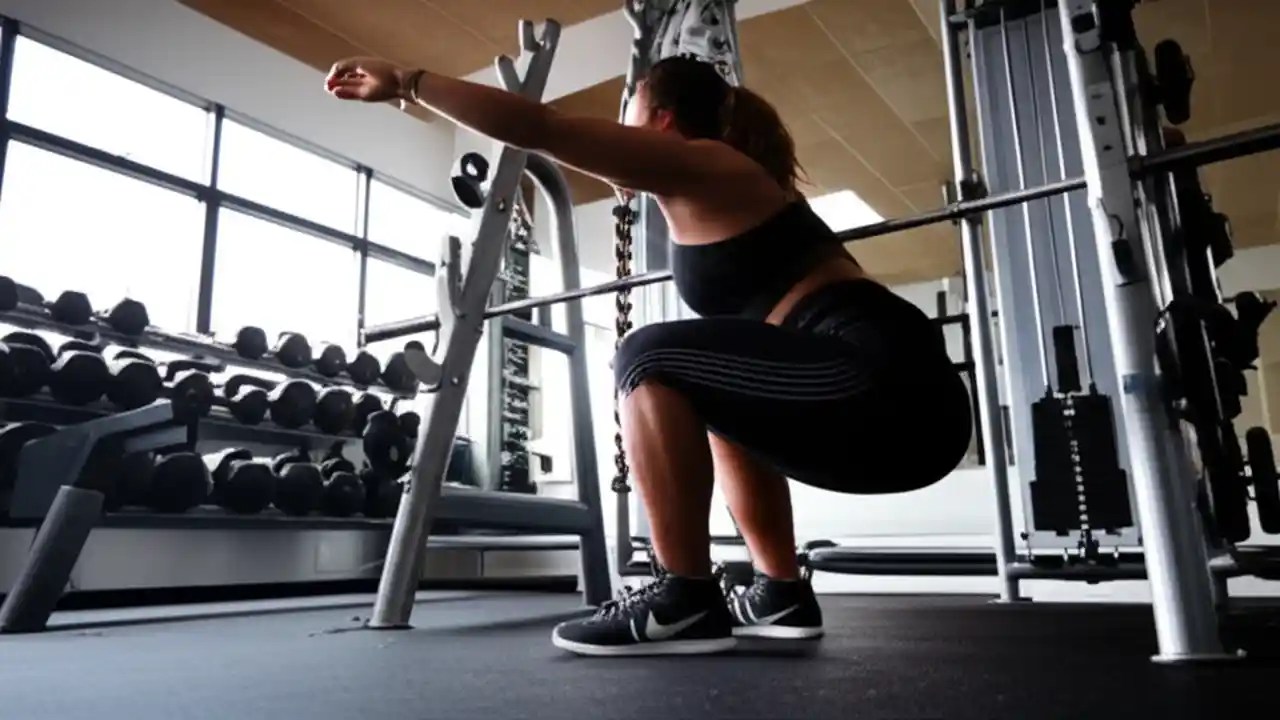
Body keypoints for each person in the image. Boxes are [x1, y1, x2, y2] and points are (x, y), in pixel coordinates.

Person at [325, 54, 973, 657]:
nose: (620, 123)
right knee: (713, 389)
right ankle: (780, 593)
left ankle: (684, 598)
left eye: (629, 106)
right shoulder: (714, 189)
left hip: (888, 385)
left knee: (646, 356)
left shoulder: (708, 164)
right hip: (882, 398)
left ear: (660, 117)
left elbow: (543, 127)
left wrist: (408, 83)